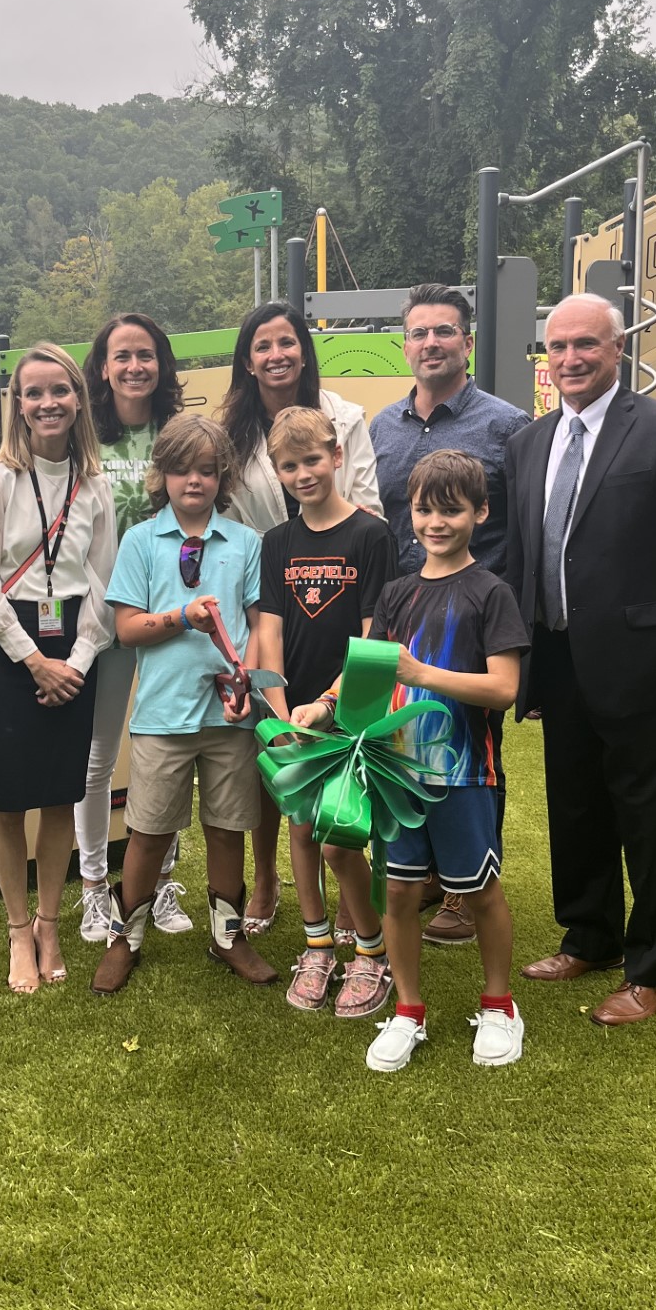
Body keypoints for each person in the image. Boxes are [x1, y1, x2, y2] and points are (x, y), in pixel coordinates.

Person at [502, 294, 656, 1025]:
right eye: (558, 346)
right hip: (558, 659)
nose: (570, 359)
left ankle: (652, 970)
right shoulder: (528, 443)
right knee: (575, 808)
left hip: (644, 668)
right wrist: (519, 657)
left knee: (653, 821)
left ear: (618, 348)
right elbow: (522, 559)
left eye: (586, 345)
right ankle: (588, 937)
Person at [292, 451, 529, 1073]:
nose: (436, 522)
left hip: (464, 774)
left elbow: (504, 688)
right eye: (425, 510)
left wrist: (421, 673)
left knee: (478, 892)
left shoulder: (493, 592)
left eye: (452, 510)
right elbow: (366, 670)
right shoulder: (397, 593)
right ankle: (407, 1010)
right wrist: (323, 705)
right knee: (398, 892)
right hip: (397, 777)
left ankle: (499, 1006)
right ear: (410, 515)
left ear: (480, 513)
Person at [369, 282, 530, 951]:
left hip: (474, 618)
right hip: (406, 608)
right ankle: (429, 869)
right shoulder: (381, 427)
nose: (430, 343)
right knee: (411, 740)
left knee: (473, 747)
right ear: (404, 344)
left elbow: (525, 527)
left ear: (467, 341)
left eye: (443, 331)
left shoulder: (507, 426)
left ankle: (468, 886)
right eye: (418, 332)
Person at [93, 414, 276, 995]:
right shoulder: (141, 541)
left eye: (206, 469)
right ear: (162, 475)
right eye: (181, 469)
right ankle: (125, 938)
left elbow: (258, 626)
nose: (193, 480)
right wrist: (180, 617)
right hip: (162, 716)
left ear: (222, 476)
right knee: (148, 832)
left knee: (227, 828)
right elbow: (126, 629)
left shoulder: (246, 543)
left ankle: (228, 937)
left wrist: (251, 688)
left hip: (230, 715)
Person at [218, 301, 383, 936]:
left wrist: (338, 694)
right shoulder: (234, 431)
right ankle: (269, 882)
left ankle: (350, 904)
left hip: (342, 606)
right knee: (278, 757)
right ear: (247, 359)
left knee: (345, 774)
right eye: (262, 345)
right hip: (270, 606)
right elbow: (224, 519)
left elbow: (366, 504)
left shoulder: (344, 418)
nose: (276, 354)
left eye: (287, 341)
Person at [0, 343, 117, 995]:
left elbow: (103, 587)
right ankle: (18, 930)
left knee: (59, 794)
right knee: (5, 801)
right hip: (5, 650)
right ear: (17, 405)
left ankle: (50, 924)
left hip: (74, 647)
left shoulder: (97, 486)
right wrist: (34, 662)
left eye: (60, 390)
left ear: (78, 399)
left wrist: (73, 664)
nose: (48, 403)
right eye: (34, 392)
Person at [258, 407, 397, 1021]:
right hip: (292, 715)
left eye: (312, 459)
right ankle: (316, 946)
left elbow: (374, 639)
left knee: (342, 835)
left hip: (352, 711)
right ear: (278, 473)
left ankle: (371, 951)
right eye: (289, 466)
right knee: (300, 827)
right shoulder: (276, 543)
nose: (303, 474)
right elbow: (268, 632)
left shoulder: (371, 535)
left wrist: (328, 703)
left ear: (337, 457)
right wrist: (279, 714)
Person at [74, 313, 192, 944]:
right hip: (103, 620)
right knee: (97, 759)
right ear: (102, 367)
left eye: (145, 355)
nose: (134, 367)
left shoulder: (179, 433)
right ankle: (95, 887)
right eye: (121, 356)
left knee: (167, 755)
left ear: (162, 363)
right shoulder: (83, 436)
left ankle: (160, 880)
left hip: (171, 620)